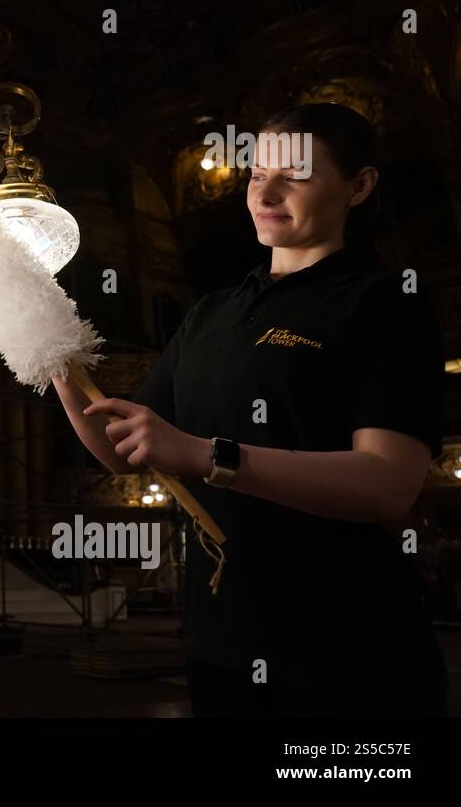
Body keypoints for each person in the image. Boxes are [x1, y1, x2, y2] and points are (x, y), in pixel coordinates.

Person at [52, 102, 448, 716]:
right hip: (222, 644)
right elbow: (118, 449)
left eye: (296, 175)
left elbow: (387, 484)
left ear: (359, 185)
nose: (267, 192)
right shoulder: (213, 313)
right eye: (258, 174)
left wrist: (206, 455)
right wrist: (42, 347)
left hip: (347, 655)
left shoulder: (385, 306)